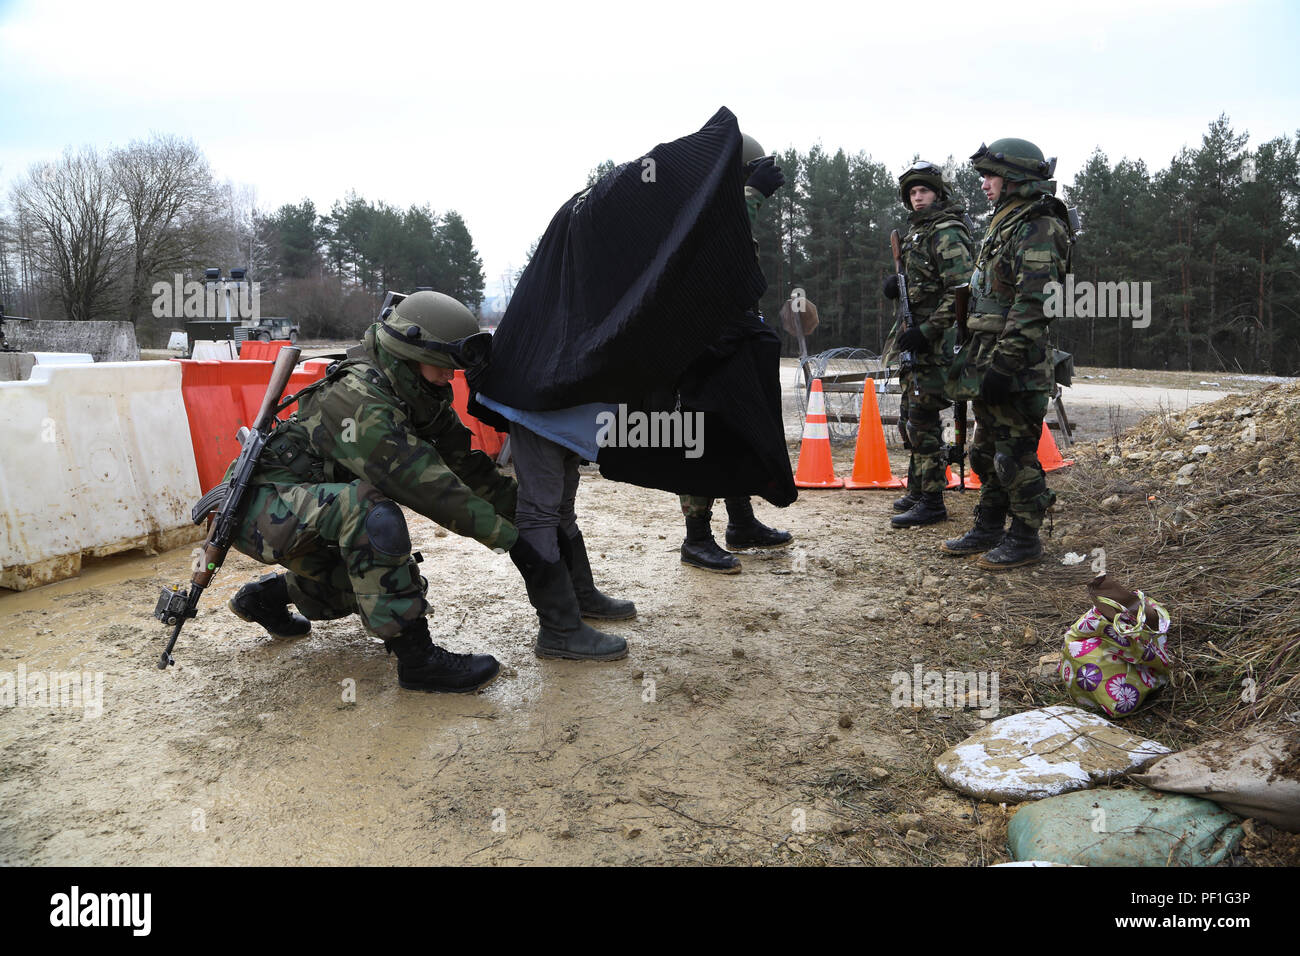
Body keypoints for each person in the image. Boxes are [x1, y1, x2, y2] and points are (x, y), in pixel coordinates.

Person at [224, 291, 520, 693]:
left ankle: (267, 597)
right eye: (442, 366)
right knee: (370, 513)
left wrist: (524, 512)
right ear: (409, 352)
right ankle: (418, 662)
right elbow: (430, 488)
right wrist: (514, 538)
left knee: (391, 585)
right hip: (261, 505)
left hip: (304, 504)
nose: (449, 377)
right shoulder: (359, 399)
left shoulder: (415, 389)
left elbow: (464, 465)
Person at [940, 138, 1071, 569]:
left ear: (1014, 177)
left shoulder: (1040, 225)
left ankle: (1026, 537)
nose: (983, 185)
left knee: (1014, 454)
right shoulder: (1007, 221)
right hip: (989, 353)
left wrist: (1005, 362)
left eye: (989, 176)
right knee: (984, 450)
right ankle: (990, 524)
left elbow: (1035, 303)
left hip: (1018, 362)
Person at [679, 132, 793, 573]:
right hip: (702, 343)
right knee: (702, 438)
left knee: (737, 428)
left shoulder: (723, 206)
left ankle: (741, 522)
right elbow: (717, 247)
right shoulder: (702, 206)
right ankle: (697, 538)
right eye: (748, 173)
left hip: (732, 336)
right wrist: (751, 193)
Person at [882, 161, 974, 528]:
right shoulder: (917, 232)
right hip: (916, 338)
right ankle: (920, 487)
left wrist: (927, 332)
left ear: (937, 193)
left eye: (924, 192)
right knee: (912, 414)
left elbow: (961, 293)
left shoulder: (946, 231)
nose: (917, 198)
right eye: (912, 193)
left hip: (937, 343)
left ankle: (933, 501)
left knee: (923, 417)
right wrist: (896, 284)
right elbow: (921, 286)